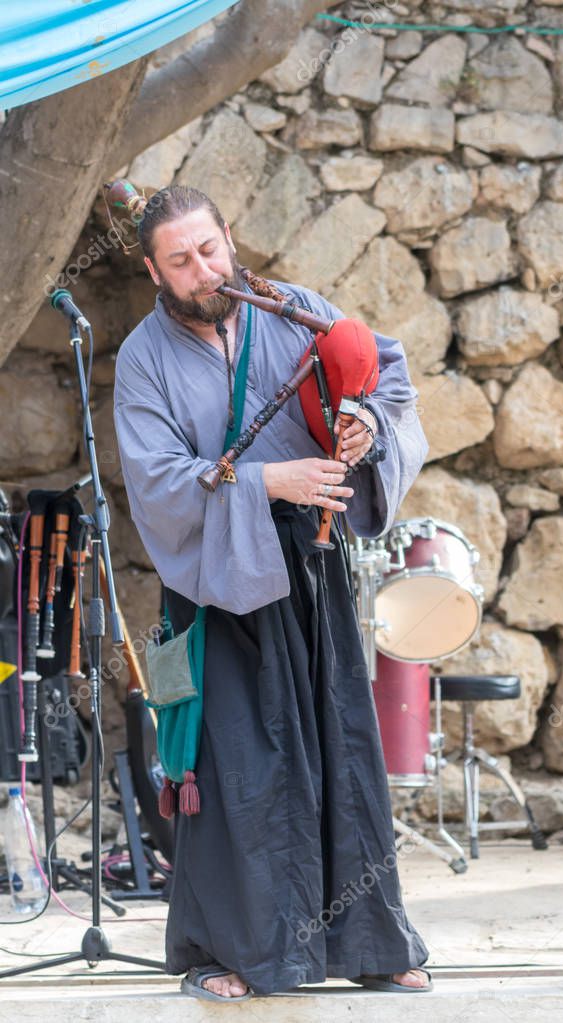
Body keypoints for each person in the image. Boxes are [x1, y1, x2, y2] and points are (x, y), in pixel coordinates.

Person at [113, 185, 431, 1000]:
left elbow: (381, 377)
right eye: (179, 260)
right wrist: (265, 482)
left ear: (228, 236)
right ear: (153, 267)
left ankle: (368, 941)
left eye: (209, 249)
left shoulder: (292, 308)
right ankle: (232, 952)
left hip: (311, 567)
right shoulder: (142, 359)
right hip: (219, 580)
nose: (202, 269)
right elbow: (158, 483)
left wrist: (364, 425)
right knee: (237, 769)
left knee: (338, 747)